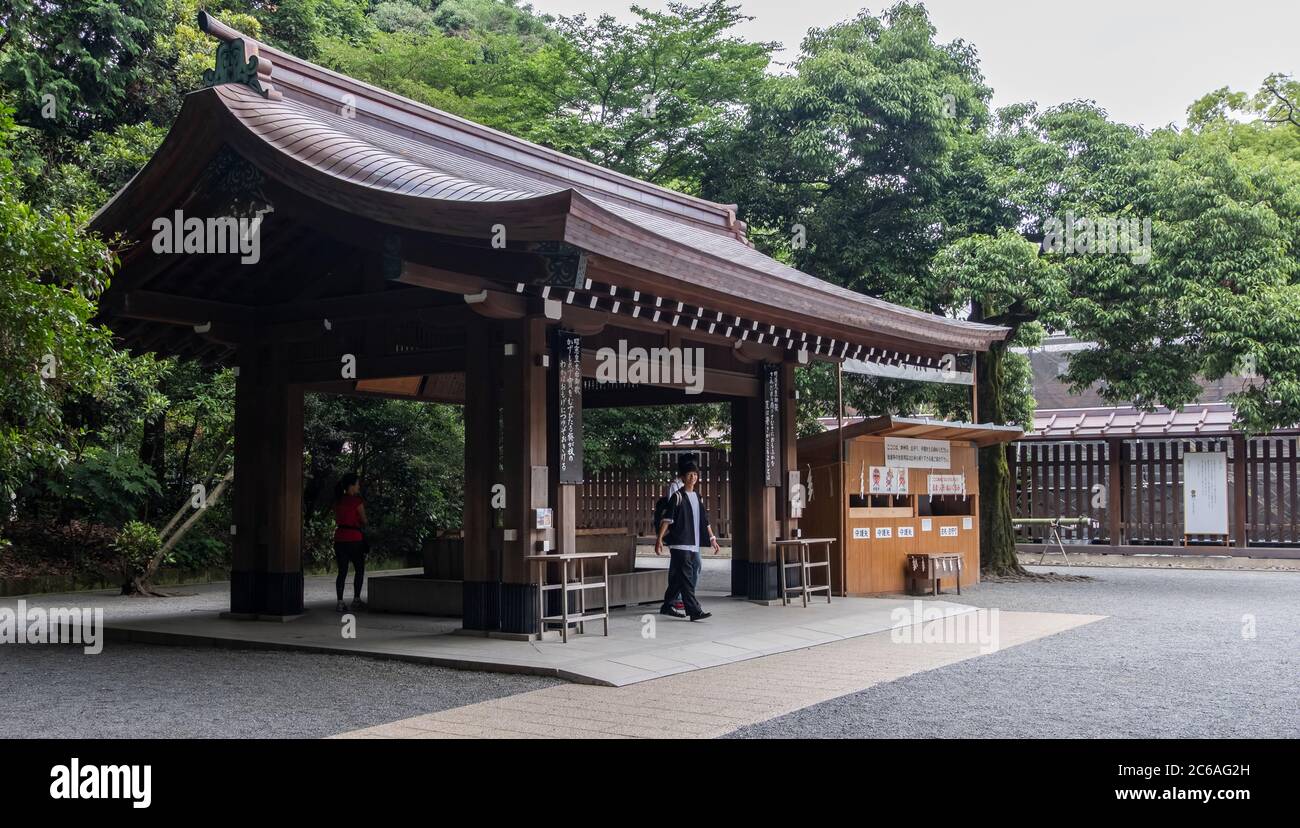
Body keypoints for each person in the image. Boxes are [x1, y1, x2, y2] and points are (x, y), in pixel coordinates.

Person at [655, 458, 720, 621]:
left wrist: (712, 538)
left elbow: (705, 520)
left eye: (695, 474)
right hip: (679, 543)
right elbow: (667, 520)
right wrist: (659, 540)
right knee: (686, 576)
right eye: (689, 474)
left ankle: (667, 605)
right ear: (682, 477)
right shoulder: (677, 496)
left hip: (693, 543)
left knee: (678, 578)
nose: (693, 477)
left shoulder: (698, 497)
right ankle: (694, 610)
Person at [333, 472, 368, 612]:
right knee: (359, 569)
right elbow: (364, 520)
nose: (359, 486)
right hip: (354, 538)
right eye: (357, 484)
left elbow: (338, 517)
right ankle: (356, 599)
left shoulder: (338, 501)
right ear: (351, 486)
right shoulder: (357, 501)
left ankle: (340, 602)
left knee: (342, 571)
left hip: (340, 537)